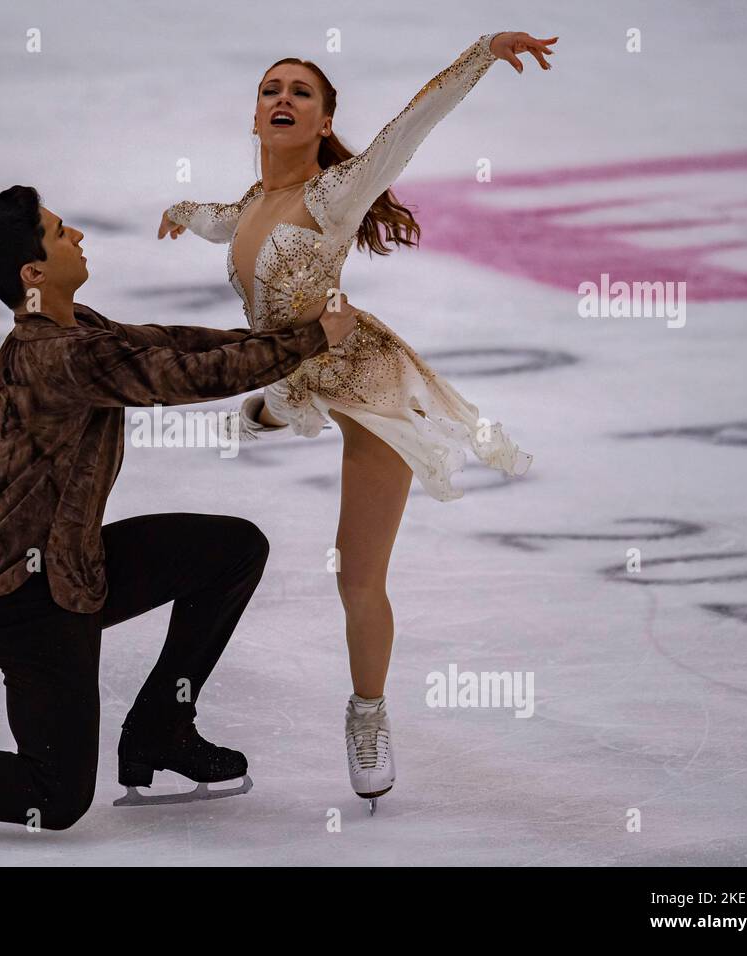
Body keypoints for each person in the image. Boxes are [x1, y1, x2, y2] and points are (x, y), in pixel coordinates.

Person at [0, 184, 361, 837]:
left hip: (76, 568)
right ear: (34, 272)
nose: (76, 235)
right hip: (30, 602)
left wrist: (294, 336)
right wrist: (306, 342)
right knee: (53, 797)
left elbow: (170, 344)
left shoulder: (79, 329)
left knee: (231, 549)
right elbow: (178, 379)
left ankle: (161, 727)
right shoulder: (57, 355)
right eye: (59, 232)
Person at [157, 31, 555, 812]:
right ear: (255, 115)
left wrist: (481, 54)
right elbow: (216, 220)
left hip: (363, 379)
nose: (283, 98)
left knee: (356, 571)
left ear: (323, 119)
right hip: (294, 363)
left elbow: (412, 125)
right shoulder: (249, 205)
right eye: (272, 88)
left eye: (301, 92)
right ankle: (275, 406)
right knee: (276, 387)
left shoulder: (335, 193)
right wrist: (179, 211)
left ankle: (368, 713)